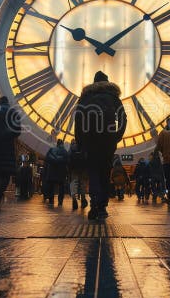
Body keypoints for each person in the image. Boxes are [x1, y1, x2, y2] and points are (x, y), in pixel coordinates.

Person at [74, 71, 127, 220]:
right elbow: (123, 118)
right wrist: (117, 136)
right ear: (107, 82)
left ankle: (94, 204)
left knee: (93, 172)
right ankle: (103, 206)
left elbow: (78, 120)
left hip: (89, 141)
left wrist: (80, 142)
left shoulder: (85, 97)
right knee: (104, 172)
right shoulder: (113, 97)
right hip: (108, 141)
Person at [44, 139, 70, 206]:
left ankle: (51, 200)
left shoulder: (52, 149)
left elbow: (47, 158)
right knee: (61, 187)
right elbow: (67, 161)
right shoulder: (65, 152)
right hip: (61, 172)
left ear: (57, 144)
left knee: (51, 186)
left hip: (52, 172)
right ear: (62, 144)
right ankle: (60, 201)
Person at [69, 139, 88, 210]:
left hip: (73, 169)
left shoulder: (71, 148)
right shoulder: (83, 147)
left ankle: (74, 200)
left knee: (73, 184)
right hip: (83, 169)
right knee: (82, 184)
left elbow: (68, 158)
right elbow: (86, 157)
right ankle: (83, 199)